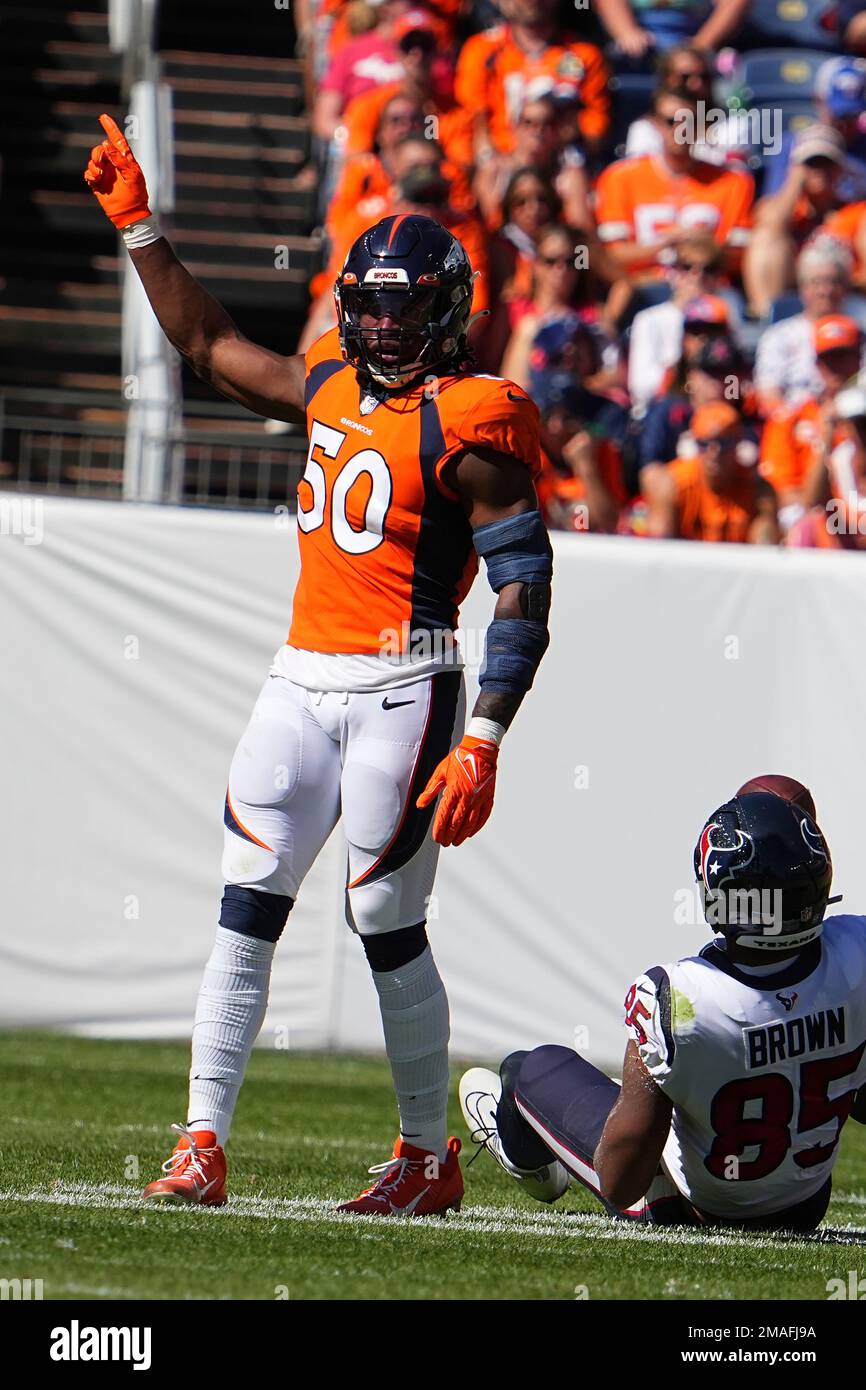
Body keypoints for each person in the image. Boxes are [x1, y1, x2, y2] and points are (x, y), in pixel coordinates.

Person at [84, 117, 553, 1216]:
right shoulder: (332, 385)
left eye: (403, 303)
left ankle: (427, 1153)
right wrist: (141, 227)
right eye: (372, 300)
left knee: (384, 921)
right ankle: (201, 1139)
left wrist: (483, 736)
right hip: (297, 679)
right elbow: (206, 348)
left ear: (444, 309)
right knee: (244, 906)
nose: (385, 322)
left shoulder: (474, 421)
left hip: (408, 681)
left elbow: (525, 595)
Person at [461, 780, 866, 1231]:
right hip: (803, 1206)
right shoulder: (859, 953)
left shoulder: (676, 998)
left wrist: (650, 1055)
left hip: (693, 1208)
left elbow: (621, 1181)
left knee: (527, 1068)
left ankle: (527, 1156)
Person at [594, 91, 754, 281]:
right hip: (644, 288)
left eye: (689, 121)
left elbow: (739, 256)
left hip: (708, 290)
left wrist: (700, 246)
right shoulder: (619, 178)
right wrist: (669, 241)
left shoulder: (733, 182)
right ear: (655, 124)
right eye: (671, 121)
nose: (680, 130)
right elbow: (612, 255)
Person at [759, 314, 864, 531]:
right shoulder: (789, 419)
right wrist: (826, 435)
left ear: (858, 359)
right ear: (817, 363)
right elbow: (787, 497)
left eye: (844, 356)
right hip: (816, 525)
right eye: (829, 358)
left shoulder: (862, 417)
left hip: (859, 512)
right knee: (800, 520)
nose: (836, 367)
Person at [743, 126, 851, 319]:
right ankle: (768, 318)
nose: (820, 171)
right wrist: (794, 182)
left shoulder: (855, 211)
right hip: (791, 288)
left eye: (827, 163)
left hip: (843, 297)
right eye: (812, 163)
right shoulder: (778, 207)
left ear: (839, 168)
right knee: (766, 238)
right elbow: (770, 225)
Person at [643, 401, 778, 542]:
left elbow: (764, 551)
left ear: (737, 444)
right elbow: (658, 550)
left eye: (724, 443)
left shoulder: (758, 491)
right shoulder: (673, 485)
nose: (714, 452)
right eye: (704, 444)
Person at [753, 237, 854, 415]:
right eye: (816, 282)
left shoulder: (859, 334)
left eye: (834, 282)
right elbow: (767, 393)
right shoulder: (780, 335)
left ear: (845, 288)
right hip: (794, 424)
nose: (825, 291)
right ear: (802, 288)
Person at [626, 233, 726, 411]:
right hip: (662, 412)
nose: (698, 276)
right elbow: (640, 385)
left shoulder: (726, 316)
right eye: (688, 267)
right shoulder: (650, 319)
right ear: (674, 272)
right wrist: (688, 379)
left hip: (715, 410)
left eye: (709, 269)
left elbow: (734, 382)